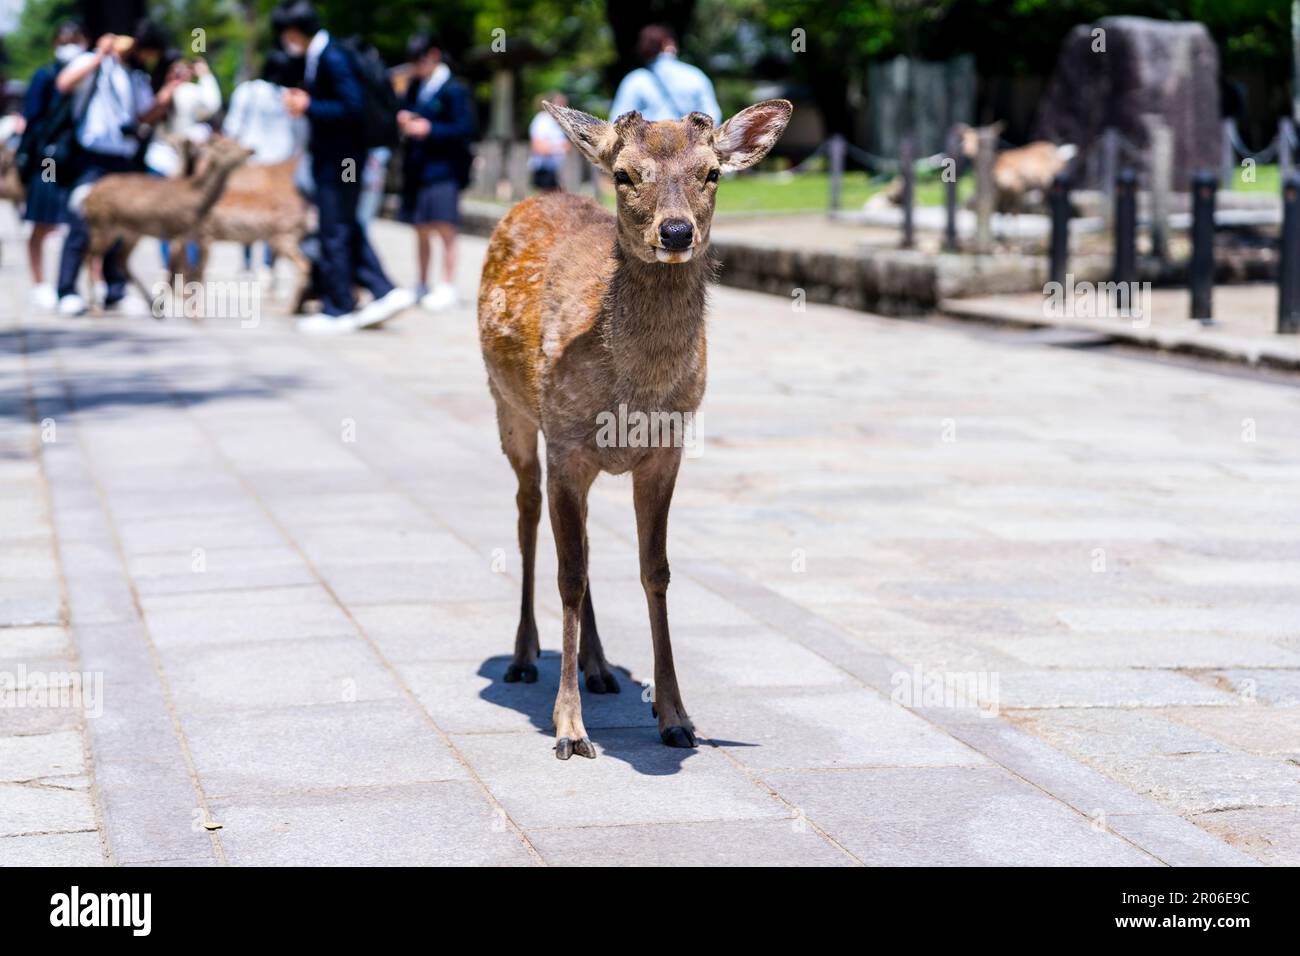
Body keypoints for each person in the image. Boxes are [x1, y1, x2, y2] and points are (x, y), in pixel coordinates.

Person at [275, 1, 411, 333]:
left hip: (342, 158)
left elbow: (351, 109)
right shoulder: (325, 53)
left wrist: (309, 105)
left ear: (293, 31)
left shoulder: (331, 56)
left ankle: (339, 309)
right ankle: (382, 290)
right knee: (343, 225)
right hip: (342, 156)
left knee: (335, 229)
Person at [53, 19, 176, 316]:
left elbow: (143, 117)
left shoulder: (135, 76)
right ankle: (66, 290)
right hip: (91, 154)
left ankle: (114, 290)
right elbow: (64, 84)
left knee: (120, 226)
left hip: (123, 159)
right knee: (82, 222)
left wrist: (171, 88)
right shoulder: (98, 61)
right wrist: (98, 55)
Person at [396, 32, 474, 312]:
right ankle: (421, 282)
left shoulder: (455, 89)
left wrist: (430, 129)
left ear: (434, 55)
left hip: (445, 169)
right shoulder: (415, 85)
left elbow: (464, 130)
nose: (417, 66)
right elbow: (406, 110)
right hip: (417, 167)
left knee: (445, 227)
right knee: (420, 228)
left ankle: (447, 285)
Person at [20, 22, 86, 310]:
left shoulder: (89, 74)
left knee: (78, 222)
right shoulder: (46, 76)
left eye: (75, 39)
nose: (69, 45)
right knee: (45, 218)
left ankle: (82, 285)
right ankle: (39, 283)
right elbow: (32, 118)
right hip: (48, 156)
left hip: (78, 155)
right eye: (64, 40)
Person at [609, 24, 721, 124]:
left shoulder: (635, 80)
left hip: (647, 146)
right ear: (668, 44)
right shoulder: (695, 75)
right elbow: (713, 117)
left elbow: (617, 121)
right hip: (689, 145)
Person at [528, 91, 569, 192]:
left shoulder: (557, 123)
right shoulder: (542, 120)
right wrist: (559, 148)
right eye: (559, 103)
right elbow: (538, 147)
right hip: (544, 169)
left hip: (557, 169)